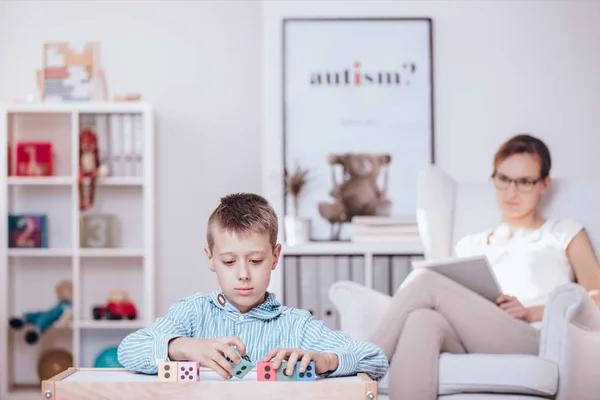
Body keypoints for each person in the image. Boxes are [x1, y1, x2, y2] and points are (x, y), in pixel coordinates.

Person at [367, 134, 600, 400]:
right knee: (422, 319)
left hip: (533, 337)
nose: (511, 192)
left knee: (424, 280)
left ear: (544, 184)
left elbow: (597, 296)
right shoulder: (471, 243)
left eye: (524, 182)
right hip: (470, 336)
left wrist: (531, 312)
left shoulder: (563, 232)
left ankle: (356, 366)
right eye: (503, 179)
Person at [117, 193, 388, 381]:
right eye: (229, 261)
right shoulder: (192, 313)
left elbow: (375, 359)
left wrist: (325, 361)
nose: (243, 274)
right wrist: (184, 347)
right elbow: (128, 351)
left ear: (275, 256)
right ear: (211, 259)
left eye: (256, 260)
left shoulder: (296, 326)